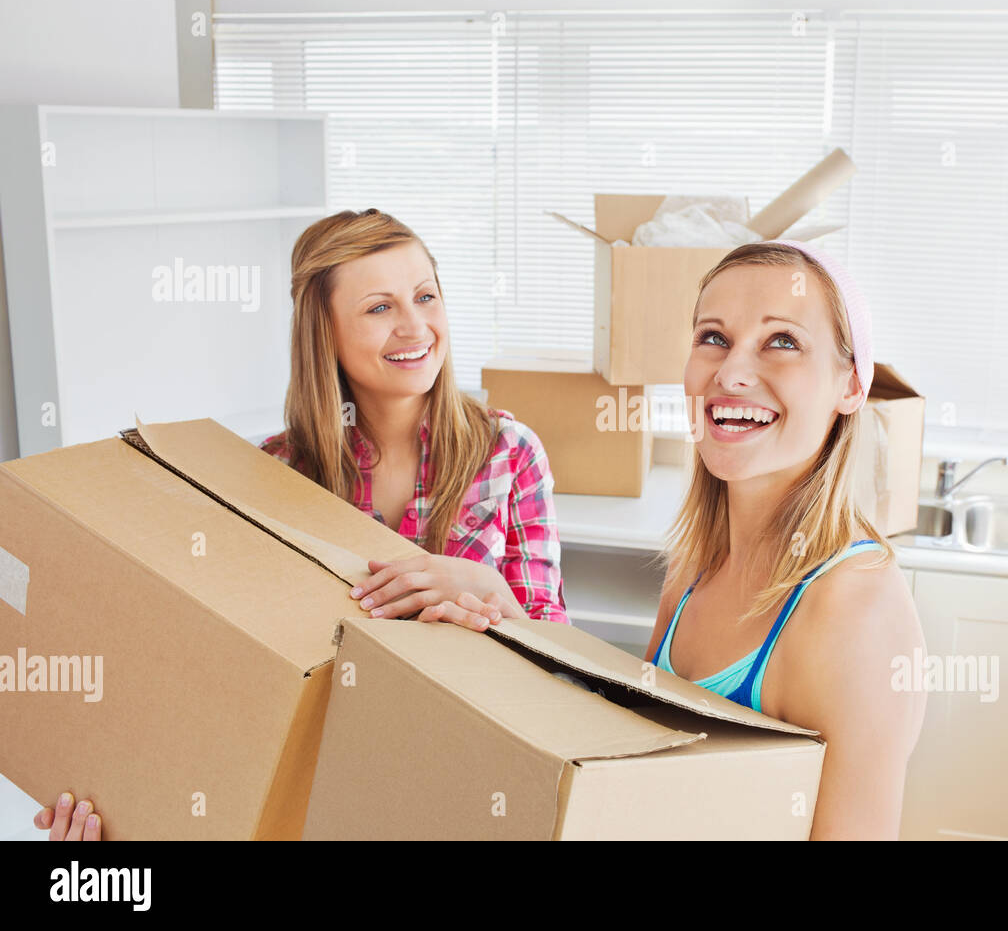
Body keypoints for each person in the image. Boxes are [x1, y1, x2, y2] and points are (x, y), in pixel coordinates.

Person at [36, 208, 567, 839]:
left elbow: (566, 677)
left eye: (426, 296)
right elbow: (224, 677)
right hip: (325, 803)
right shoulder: (271, 475)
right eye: (379, 308)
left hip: (477, 792)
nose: (416, 325)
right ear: (325, 332)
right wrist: (124, 812)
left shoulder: (508, 452)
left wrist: (493, 598)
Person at [646, 239, 927, 840]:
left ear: (850, 386)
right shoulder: (696, 562)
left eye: (782, 342)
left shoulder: (853, 610)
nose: (732, 372)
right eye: (713, 337)